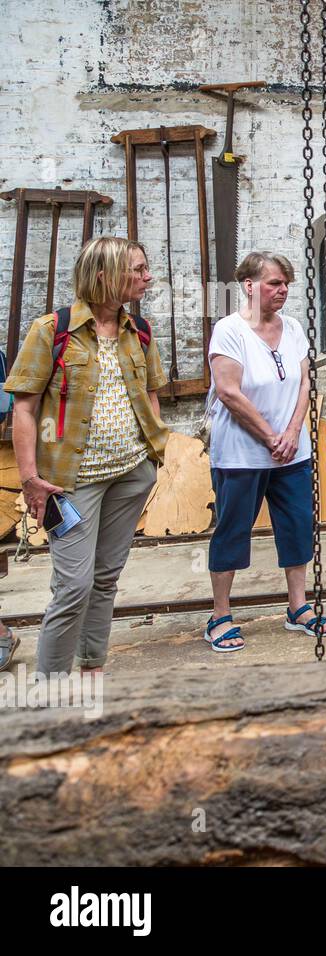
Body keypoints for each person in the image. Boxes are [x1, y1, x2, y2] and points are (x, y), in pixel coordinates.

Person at [2, 237, 168, 674]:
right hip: (70, 483)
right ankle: (51, 686)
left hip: (131, 474)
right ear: (104, 274)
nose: (147, 277)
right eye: (138, 269)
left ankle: (92, 666)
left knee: (105, 578)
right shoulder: (50, 331)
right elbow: (25, 409)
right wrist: (30, 478)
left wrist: (155, 455)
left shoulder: (140, 332)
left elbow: (152, 395)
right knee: (73, 585)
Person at [204, 252, 326, 651]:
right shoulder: (229, 331)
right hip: (241, 454)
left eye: (286, 284)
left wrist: (292, 432)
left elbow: (305, 383)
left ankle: (298, 607)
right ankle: (220, 615)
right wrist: (269, 436)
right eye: (275, 283)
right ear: (249, 285)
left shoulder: (292, 328)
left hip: (292, 452)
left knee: (296, 525)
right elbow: (228, 392)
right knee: (232, 530)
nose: (283, 290)